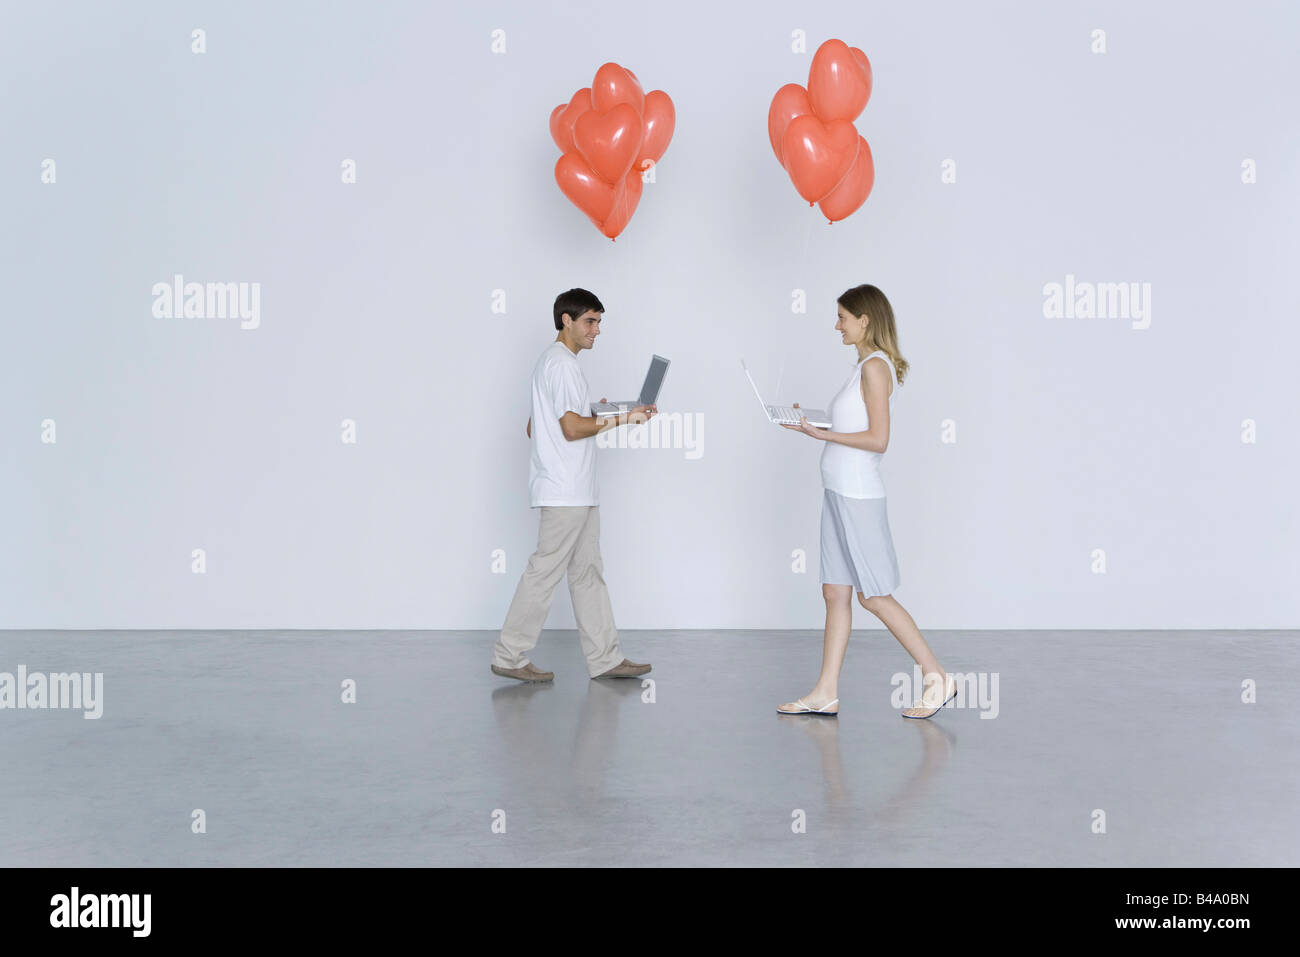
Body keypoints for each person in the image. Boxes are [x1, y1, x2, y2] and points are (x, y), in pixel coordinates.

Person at [776, 284, 956, 719]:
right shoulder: (860, 368)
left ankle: (937, 676)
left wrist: (825, 434)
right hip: (838, 493)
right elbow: (853, 427)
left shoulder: (875, 368)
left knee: (873, 596)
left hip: (858, 496)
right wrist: (813, 425)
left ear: (865, 320)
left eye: (842, 317)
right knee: (834, 592)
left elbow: (878, 440)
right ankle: (825, 692)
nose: (836, 325)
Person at [491, 288, 655, 683]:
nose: (597, 330)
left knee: (586, 573)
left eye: (599, 322)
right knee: (544, 572)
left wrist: (596, 411)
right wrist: (623, 420)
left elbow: (536, 427)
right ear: (566, 320)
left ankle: (606, 659)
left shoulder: (553, 363)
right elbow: (569, 428)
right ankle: (510, 656)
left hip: (577, 489)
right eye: (590, 321)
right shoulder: (561, 364)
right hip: (565, 490)